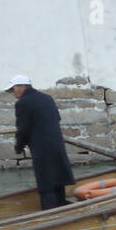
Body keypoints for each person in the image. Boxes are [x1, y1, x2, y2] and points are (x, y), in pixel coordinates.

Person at [8, 74, 75, 210]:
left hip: (41, 148)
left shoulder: (23, 103)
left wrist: (18, 147)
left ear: (21, 86)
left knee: (46, 184)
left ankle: (51, 216)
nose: (13, 93)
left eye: (13, 89)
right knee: (58, 180)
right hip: (57, 144)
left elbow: (23, 129)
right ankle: (63, 210)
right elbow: (57, 118)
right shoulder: (47, 98)